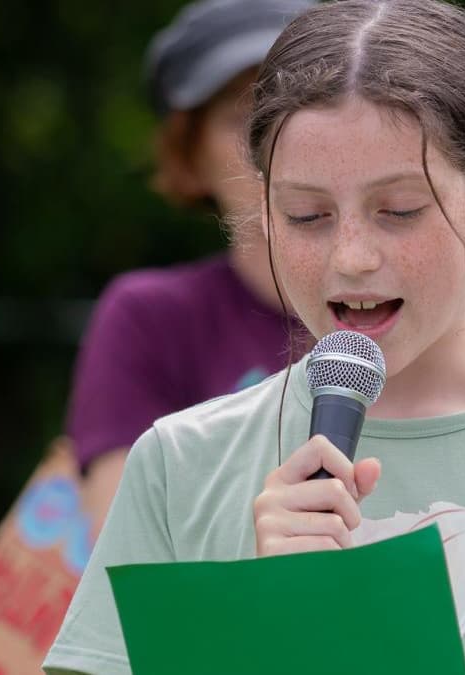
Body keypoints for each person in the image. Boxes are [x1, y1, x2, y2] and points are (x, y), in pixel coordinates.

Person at [45, 1, 465, 673]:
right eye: (308, 215)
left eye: (400, 209)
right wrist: (256, 618)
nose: (351, 255)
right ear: (262, 211)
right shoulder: (179, 465)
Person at [65, 0, 315, 529]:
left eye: (296, 105)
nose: (272, 139)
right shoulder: (151, 318)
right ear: (190, 157)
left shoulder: (442, 308)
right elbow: (129, 548)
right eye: (242, 115)